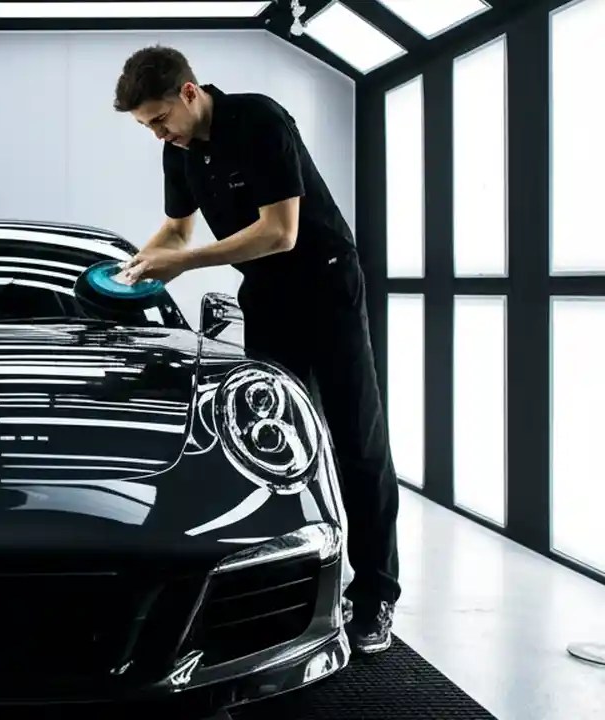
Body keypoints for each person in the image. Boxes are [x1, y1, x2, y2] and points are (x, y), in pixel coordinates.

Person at [111, 45, 401, 655]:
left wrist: (181, 265)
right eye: (146, 127)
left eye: (160, 118)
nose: (157, 133)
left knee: (355, 440)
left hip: (324, 283)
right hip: (265, 290)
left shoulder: (261, 120)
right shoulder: (178, 148)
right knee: (274, 447)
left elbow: (280, 232)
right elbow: (178, 230)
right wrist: (133, 269)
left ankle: (375, 597)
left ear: (190, 93)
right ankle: (287, 589)